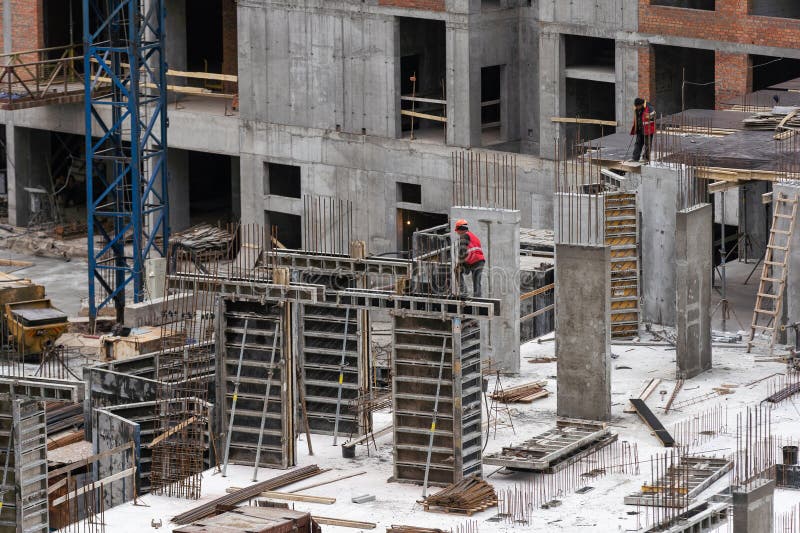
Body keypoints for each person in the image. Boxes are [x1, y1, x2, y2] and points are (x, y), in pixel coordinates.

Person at [454, 219, 485, 297]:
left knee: (457, 271)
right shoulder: (473, 236)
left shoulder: (464, 236)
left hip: (472, 261)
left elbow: (462, 251)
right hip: (479, 261)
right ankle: (478, 299)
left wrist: (459, 264)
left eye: (457, 230)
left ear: (460, 229)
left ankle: (464, 292)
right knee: (477, 281)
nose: (457, 233)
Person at [630, 97, 656, 163]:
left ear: (641, 104)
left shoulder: (649, 107)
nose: (637, 107)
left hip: (648, 129)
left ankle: (646, 158)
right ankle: (635, 158)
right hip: (640, 129)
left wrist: (648, 116)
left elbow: (654, 115)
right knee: (638, 143)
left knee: (647, 144)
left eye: (637, 106)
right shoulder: (637, 109)